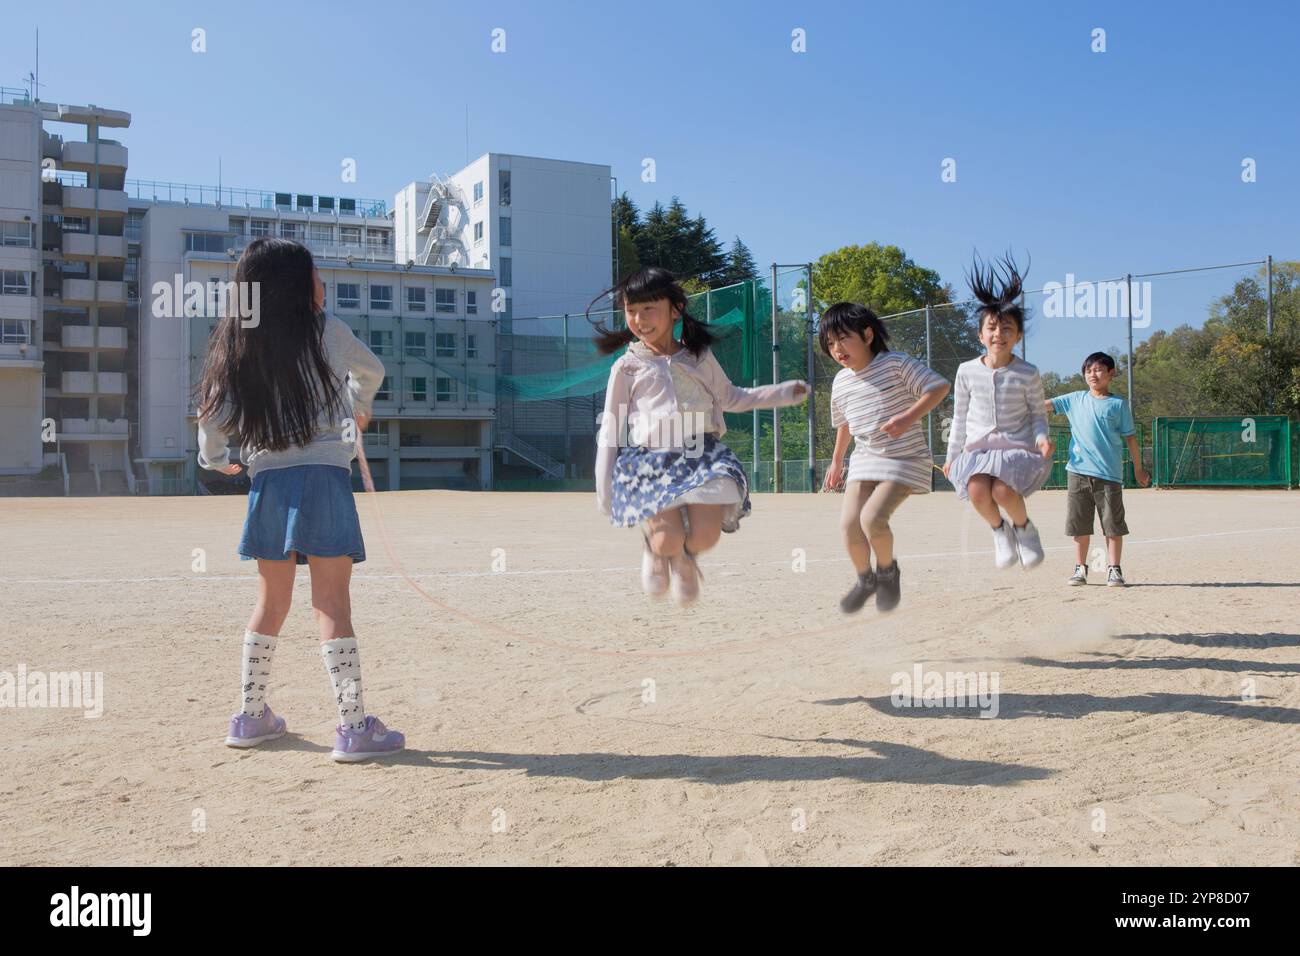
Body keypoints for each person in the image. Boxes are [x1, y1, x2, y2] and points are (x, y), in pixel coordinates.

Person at [196, 237, 404, 762]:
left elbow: (212, 418)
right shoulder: (329, 331)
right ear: (296, 284)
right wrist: (356, 408)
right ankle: (353, 727)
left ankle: (249, 716)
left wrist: (217, 460)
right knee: (332, 605)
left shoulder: (238, 343)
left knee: (269, 606)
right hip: (324, 480)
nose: (323, 284)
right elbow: (372, 371)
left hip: (268, 484)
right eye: (315, 274)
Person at [593, 266, 809, 605]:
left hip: (701, 455)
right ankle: (657, 549)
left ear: (675, 309)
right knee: (667, 540)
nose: (639, 318)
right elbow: (610, 427)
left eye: (649, 308)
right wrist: (604, 487)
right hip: (653, 459)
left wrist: (781, 393)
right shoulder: (627, 367)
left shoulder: (699, 356)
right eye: (631, 311)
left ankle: (686, 558)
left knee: (707, 536)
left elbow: (733, 397)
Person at [821, 302, 950, 612]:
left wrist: (907, 418)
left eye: (843, 338)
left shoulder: (896, 364)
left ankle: (888, 573)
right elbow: (844, 424)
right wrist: (837, 461)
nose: (837, 348)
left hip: (905, 458)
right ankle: (866, 580)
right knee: (849, 525)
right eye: (830, 343)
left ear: (867, 335)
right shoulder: (841, 381)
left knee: (872, 519)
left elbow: (939, 386)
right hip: (865, 458)